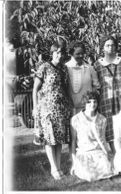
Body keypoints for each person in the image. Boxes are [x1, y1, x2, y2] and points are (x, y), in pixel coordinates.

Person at [32, 43, 72, 180]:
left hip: (60, 108)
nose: (59, 55)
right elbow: (35, 89)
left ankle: (59, 167)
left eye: (61, 53)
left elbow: (66, 89)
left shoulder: (64, 68)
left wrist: (68, 105)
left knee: (59, 139)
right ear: (52, 52)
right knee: (49, 139)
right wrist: (35, 107)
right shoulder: (44, 67)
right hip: (46, 109)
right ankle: (53, 168)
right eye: (57, 52)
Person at [94, 36, 121, 150]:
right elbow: (95, 85)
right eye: (107, 45)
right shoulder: (98, 64)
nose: (111, 47)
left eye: (113, 45)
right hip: (106, 101)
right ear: (103, 48)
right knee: (109, 128)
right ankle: (114, 155)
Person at [70, 91, 115, 181]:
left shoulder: (102, 119)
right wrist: (74, 162)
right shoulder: (76, 119)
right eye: (89, 102)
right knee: (89, 175)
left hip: (98, 152)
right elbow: (73, 141)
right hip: (84, 153)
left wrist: (107, 155)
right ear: (85, 103)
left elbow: (103, 139)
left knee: (107, 170)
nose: (92, 104)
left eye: (95, 101)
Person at [66, 41, 100, 115]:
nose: (81, 56)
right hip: (70, 109)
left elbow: (97, 87)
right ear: (71, 54)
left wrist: (91, 101)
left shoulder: (89, 68)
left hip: (87, 109)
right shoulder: (66, 68)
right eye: (78, 54)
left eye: (82, 53)